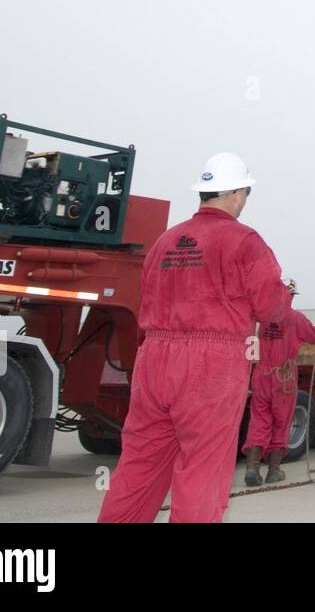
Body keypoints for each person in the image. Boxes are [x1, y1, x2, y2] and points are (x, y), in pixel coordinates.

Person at [97, 153, 291, 523]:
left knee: (138, 467)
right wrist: (285, 294)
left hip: (154, 357)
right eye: (245, 193)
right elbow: (269, 307)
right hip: (210, 366)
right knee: (202, 471)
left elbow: (148, 297)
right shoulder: (244, 241)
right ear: (236, 192)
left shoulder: (165, 241)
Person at [243, 280, 315, 486]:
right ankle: (273, 471)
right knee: (281, 422)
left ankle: (252, 469)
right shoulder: (295, 319)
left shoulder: (262, 318)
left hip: (261, 375)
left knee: (259, 422)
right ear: (290, 296)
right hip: (284, 377)